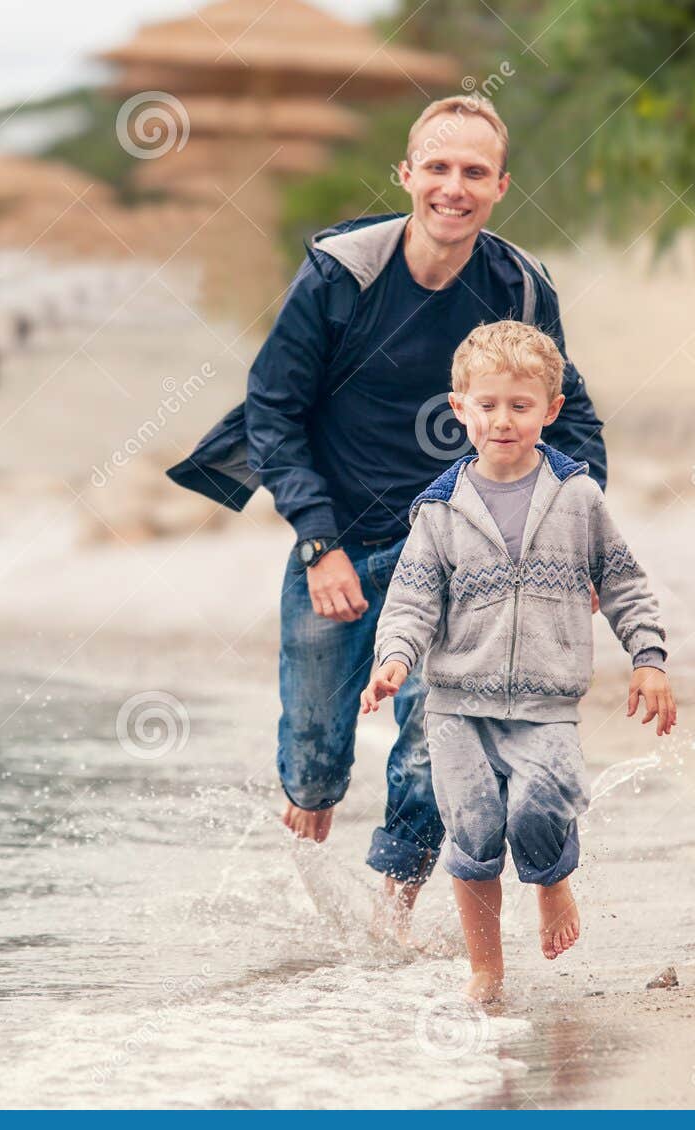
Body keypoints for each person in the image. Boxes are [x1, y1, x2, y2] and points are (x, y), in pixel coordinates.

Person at [166, 96, 607, 936]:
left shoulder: (516, 285)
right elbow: (272, 408)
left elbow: (570, 411)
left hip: (454, 547)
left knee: (432, 743)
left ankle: (388, 914)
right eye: (437, 168)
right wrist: (319, 541)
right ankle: (310, 817)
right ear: (406, 175)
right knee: (315, 752)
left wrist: (575, 541)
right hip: (341, 537)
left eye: (474, 171)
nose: (454, 186)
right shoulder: (344, 275)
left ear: (500, 185)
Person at [360, 320, 676, 1002]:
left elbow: (622, 580)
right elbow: (411, 602)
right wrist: (393, 659)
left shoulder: (577, 497)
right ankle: (487, 970)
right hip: (455, 704)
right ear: (460, 411)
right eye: (488, 405)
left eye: (520, 406)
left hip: (546, 703)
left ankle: (552, 880)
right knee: (471, 830)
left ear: (550, 411)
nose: (503, 420)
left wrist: (647, 657)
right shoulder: (439, 511)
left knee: (541, 803)